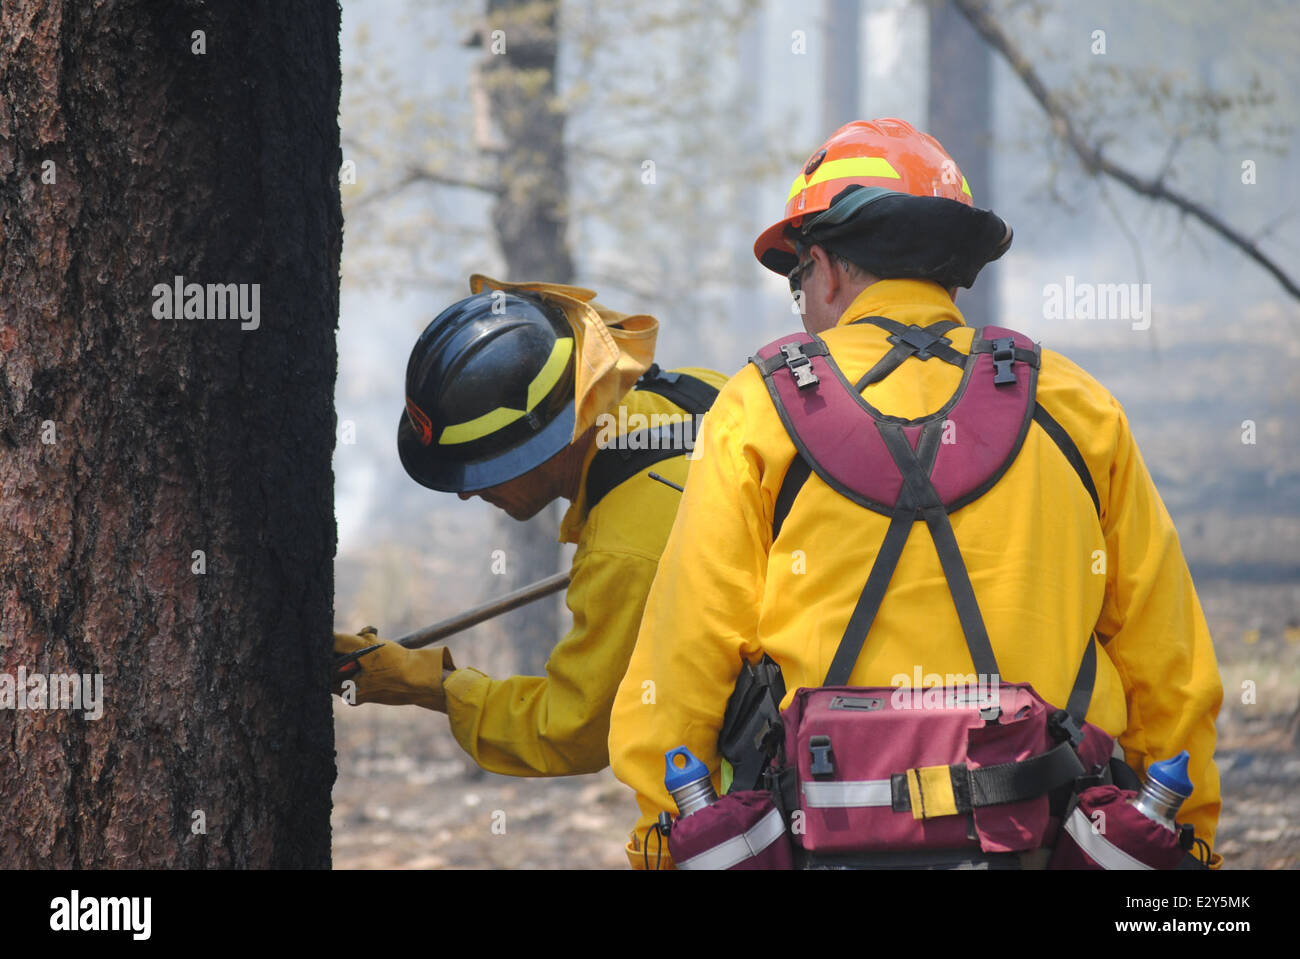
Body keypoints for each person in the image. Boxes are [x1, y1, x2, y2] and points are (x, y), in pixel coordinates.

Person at [607, 118, 1222, 868]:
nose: (802, 304)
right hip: (1052, 841)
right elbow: (1172, 675)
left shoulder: (757, 408)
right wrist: (1188, 855)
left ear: (825, 268)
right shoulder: (1075, 405)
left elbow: (678, 670)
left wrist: (662, 848)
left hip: (827, 845)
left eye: (797, 279)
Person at [334, 274, 726, 777]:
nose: (467, 492)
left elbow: (570, 733)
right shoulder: (693, 390)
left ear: (547, 442)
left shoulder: (623, 555)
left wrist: (428, 682)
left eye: (484, 468)